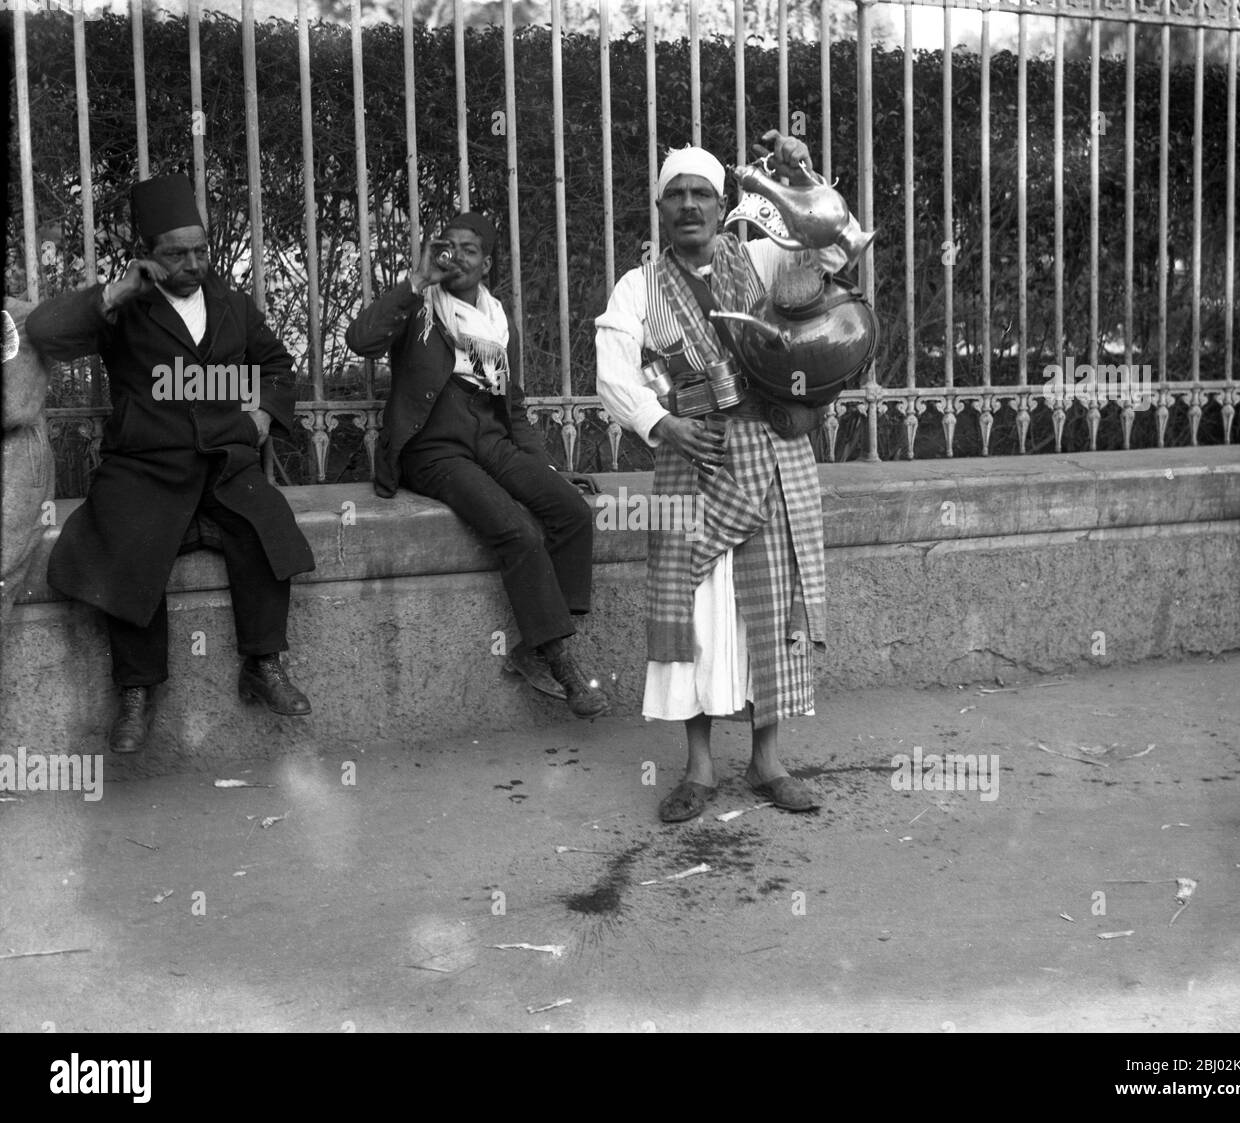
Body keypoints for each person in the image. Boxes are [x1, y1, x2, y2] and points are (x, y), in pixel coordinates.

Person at [596, 132, 862, 821]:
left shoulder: (766, 258)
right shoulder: (639, 287)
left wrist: (798, 178)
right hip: (692, 462)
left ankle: (768, 760)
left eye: (702, 194)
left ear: (722, 206)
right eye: (676, 194)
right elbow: (612, 369)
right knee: (697, 618)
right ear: (660, 208)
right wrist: (660, 425)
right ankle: (700, 768)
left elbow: (837, 249)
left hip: (771, 456)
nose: (689, 205)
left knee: (771, 614)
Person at [26, 173, 316, 754]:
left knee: (265, 528)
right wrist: (112, 292)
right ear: (149, 257)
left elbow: (279, 366)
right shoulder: (127, 309)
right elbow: (42, 332)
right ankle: (136, 690)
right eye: (176, 253)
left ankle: (263, 663)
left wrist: (261, 418)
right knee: (130, 545)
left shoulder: (232, 306)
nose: (192, 263)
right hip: (144, 464)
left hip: (223, 457)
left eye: (201, 251)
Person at [344, 212, 608, 718]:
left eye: (469, 250)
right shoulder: (420, 308)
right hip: (433, 448)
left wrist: (546, 468)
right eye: (447, 247)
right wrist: (416, 281)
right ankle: (560, 659)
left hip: (488, 438)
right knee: (516, 531)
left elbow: (510, 406)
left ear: (486, 264)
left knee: (570, 510)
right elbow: (362, 341)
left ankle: (534, 645)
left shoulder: (495, 317)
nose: (456, 257)